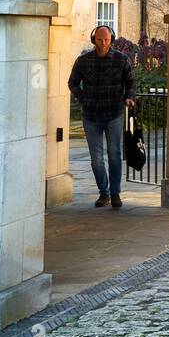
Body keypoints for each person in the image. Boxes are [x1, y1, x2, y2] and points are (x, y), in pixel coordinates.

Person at [68, 25, 136, 209]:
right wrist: (83, 98)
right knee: (96, 158)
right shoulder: (83, 61)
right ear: (93, 40)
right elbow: (72, 82)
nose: (103, 43)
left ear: (111, 39)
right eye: (99, 39)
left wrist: (129, 97)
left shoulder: (122, 60)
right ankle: (103, 192)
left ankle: (115, 193)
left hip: (114, 114)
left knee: (114, 155)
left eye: (106, 39)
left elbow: (131, 81)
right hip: (91, 115)